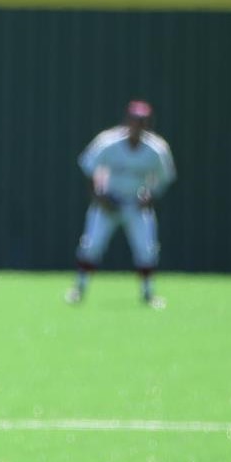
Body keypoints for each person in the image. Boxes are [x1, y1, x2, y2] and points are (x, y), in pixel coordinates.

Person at [65, 100, 176, 308]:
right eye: (134, 120)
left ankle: (148, 294)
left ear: (148, 124)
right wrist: (99, 196)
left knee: (147, 249)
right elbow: (89, 166)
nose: (137, 125)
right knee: (91, 245)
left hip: (136, 204)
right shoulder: (108, 142)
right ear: (127, 120)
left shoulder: (156, 149)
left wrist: (150, 196)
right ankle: (79, 290)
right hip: (109, 202)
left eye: (142, 121)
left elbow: (165, 177)